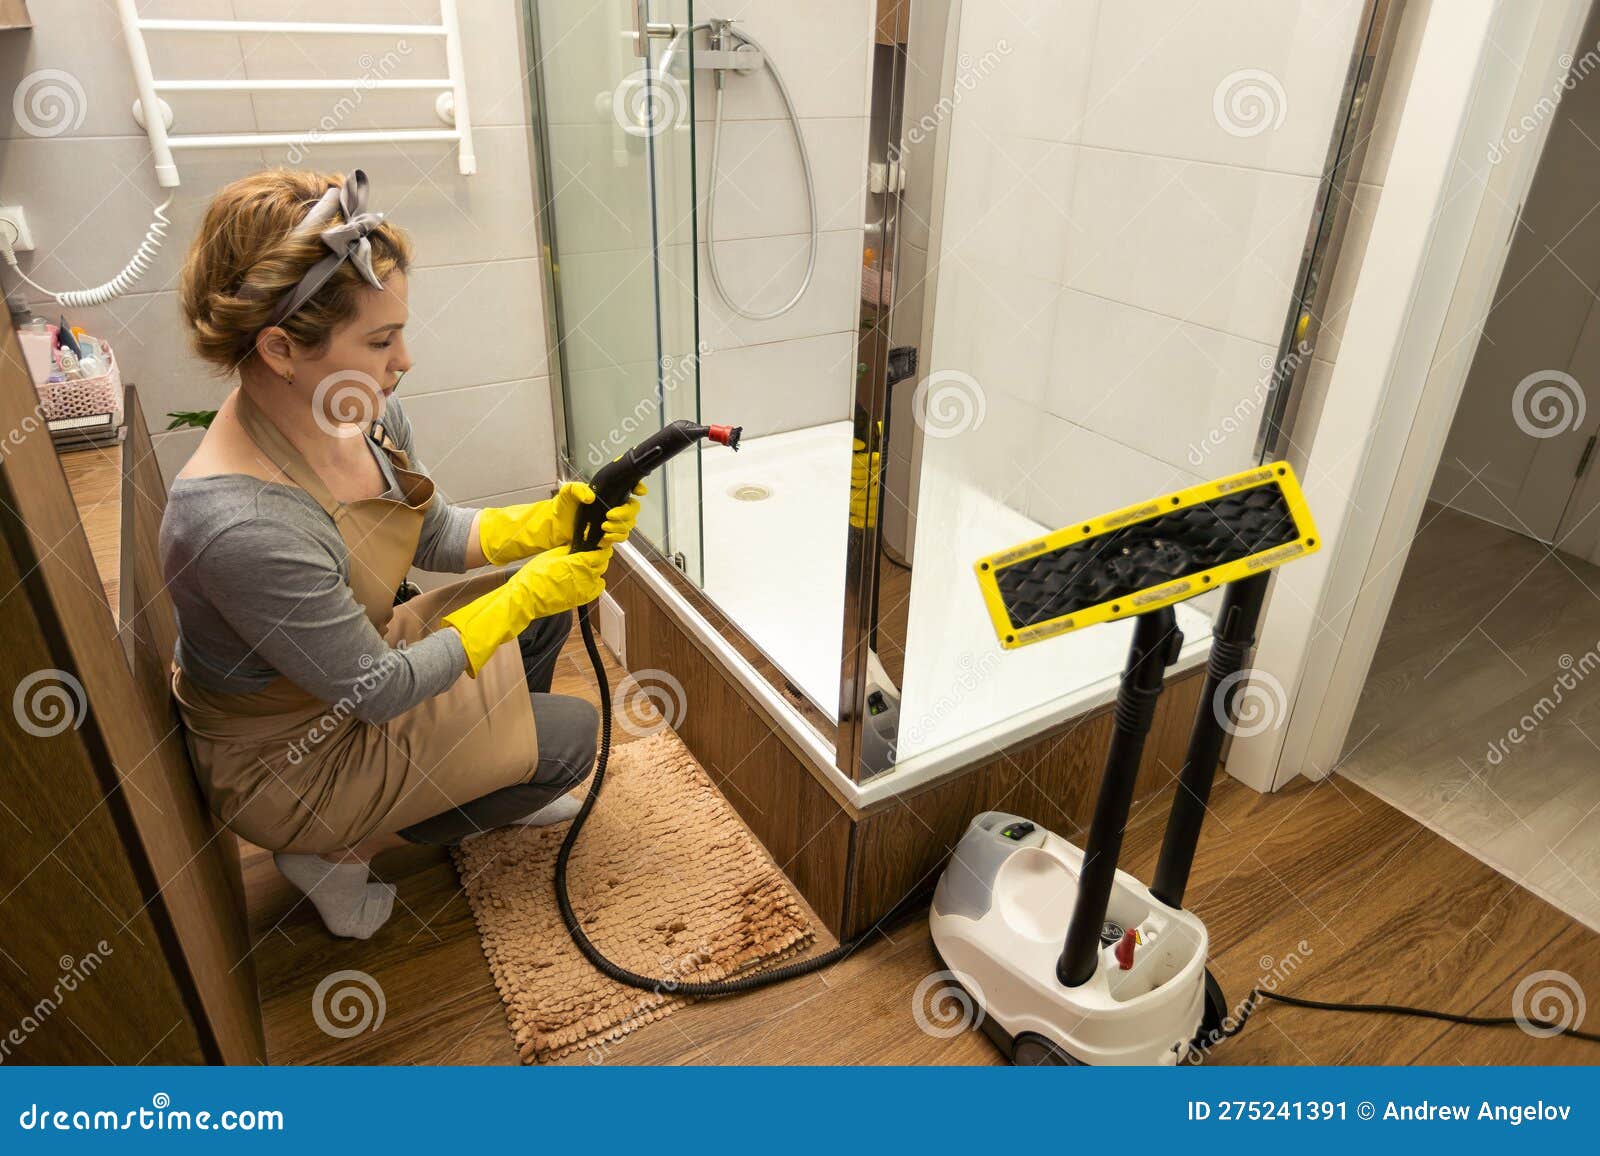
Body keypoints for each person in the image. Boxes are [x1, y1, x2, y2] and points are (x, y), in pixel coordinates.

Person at [160, 168, 642, 939]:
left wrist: (543, 527)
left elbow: (436, 532)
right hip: (292, 757)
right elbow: (380, 692)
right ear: (282, 348)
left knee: (542, 610)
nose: (405, 360)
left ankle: (492, 765)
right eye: (382, 340)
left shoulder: (360, 416)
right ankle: (332, 852)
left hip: (351, 671)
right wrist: (519, 598)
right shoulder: (239, 523)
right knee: (569, 740)